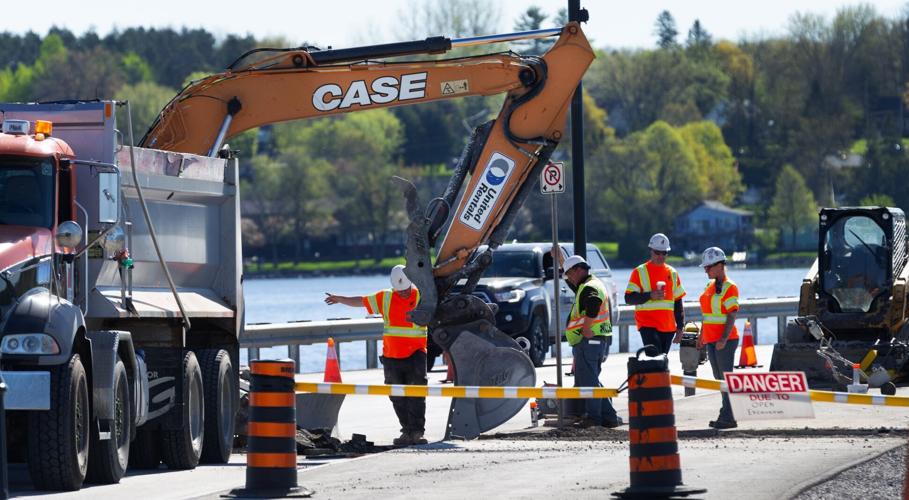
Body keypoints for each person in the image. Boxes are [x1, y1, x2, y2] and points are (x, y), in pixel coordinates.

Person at [325, 265, 428, 445]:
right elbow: (361, 301)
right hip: (391, 356)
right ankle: (407, 430)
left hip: (416, 355)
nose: (403, 294)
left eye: (405, 290)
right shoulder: (386, 297)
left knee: (416, 394)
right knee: (396, 396)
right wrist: (341, 299)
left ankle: (416, 431)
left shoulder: (422, 296)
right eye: (399, 291)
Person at [556, 252, 622, 428]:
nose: (569, 278)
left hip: (589, 341)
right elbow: (575, 286)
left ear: (578, 270)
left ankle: (594, 418)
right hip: (597, 341)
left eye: (570, 273)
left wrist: (586, 328)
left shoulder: (589, 288)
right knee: (592, 380)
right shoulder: (590, 283)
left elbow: (593, 302)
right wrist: (562, 260)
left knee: (588, 382)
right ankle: (609, 416)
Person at [697, 247, 739, 429]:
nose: (706, 270)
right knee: (718, 377)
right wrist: (702, 335)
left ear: (720, 265)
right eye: (705, 267)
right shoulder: (710, 287)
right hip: (712, 339)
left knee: (725, 379)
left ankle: (729, 417)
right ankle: (726, 413)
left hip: (725, 341)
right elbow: (707, 315)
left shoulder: (730, 287)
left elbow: (731, 315)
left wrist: (723, 339)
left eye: (709, 267)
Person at [624, 233, 686, 354]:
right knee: (654, 359)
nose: (661, 256)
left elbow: (678, 303)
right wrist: (650, 295)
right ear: (651, 251)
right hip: (647, 325)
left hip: (668, 327)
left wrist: (680, 328)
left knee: (662, 361)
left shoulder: (673, 273)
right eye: (657, 252)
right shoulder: (639, 271)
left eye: (664, 253)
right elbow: (629, 298)